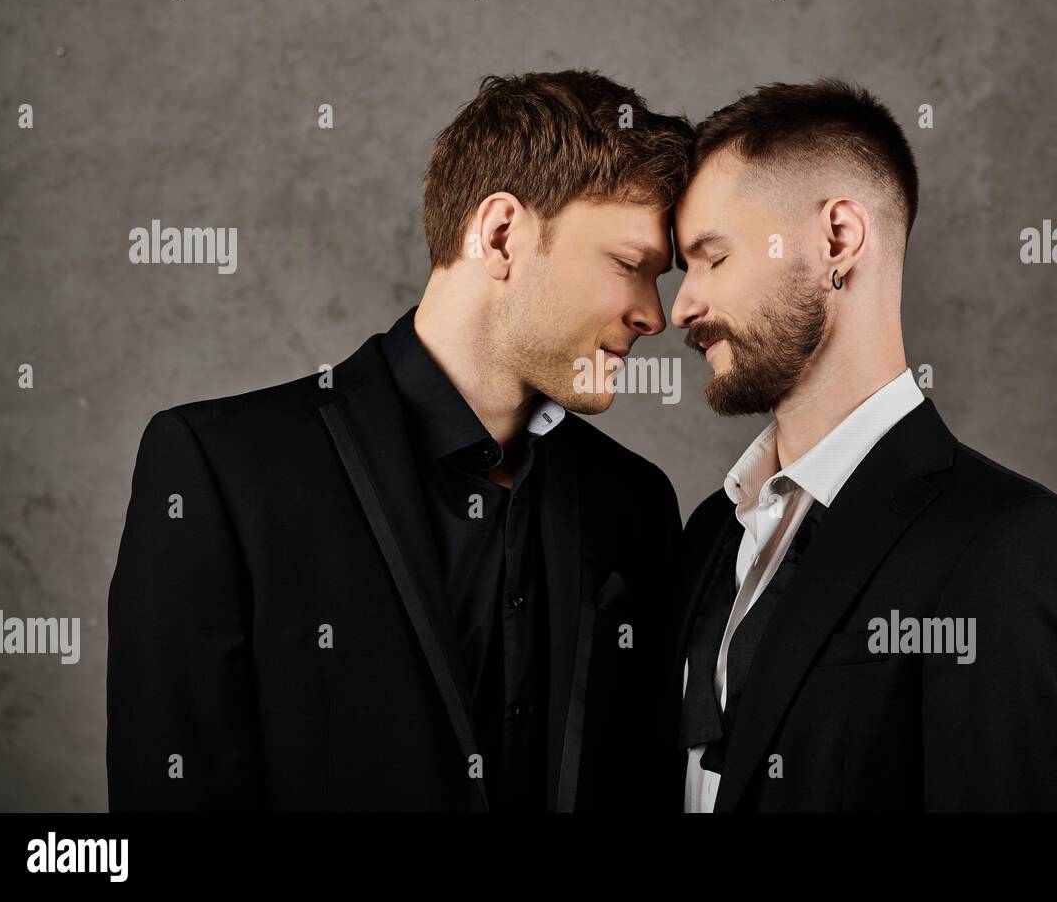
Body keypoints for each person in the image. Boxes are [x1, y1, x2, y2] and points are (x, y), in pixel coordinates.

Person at [107, 70, 691, 812]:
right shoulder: (220, 469)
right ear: (502, 234)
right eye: (630, 266)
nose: (654, 315)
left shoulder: (635, 503)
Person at [667, 79, 1057, 812]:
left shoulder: (1008, 546)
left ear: (838, 239)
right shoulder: (710, 532)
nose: (681, 305)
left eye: (713, 257)